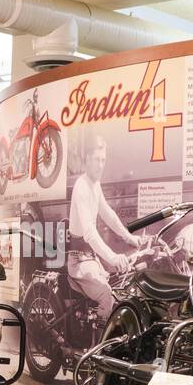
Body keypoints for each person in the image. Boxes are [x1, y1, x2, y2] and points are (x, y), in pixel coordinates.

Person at [67, 135, 142, 321]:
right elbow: (90, 233)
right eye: (96, 160)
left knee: (123, 283)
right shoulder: (82, 186)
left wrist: (130, 238)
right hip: (79, 260)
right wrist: (113, 257)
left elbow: (109, 215)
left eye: (103, 160)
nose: (100, 165)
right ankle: (97, 347)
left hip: (92, 259)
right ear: (86, 161)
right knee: (107, 295)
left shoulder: (95, 184)